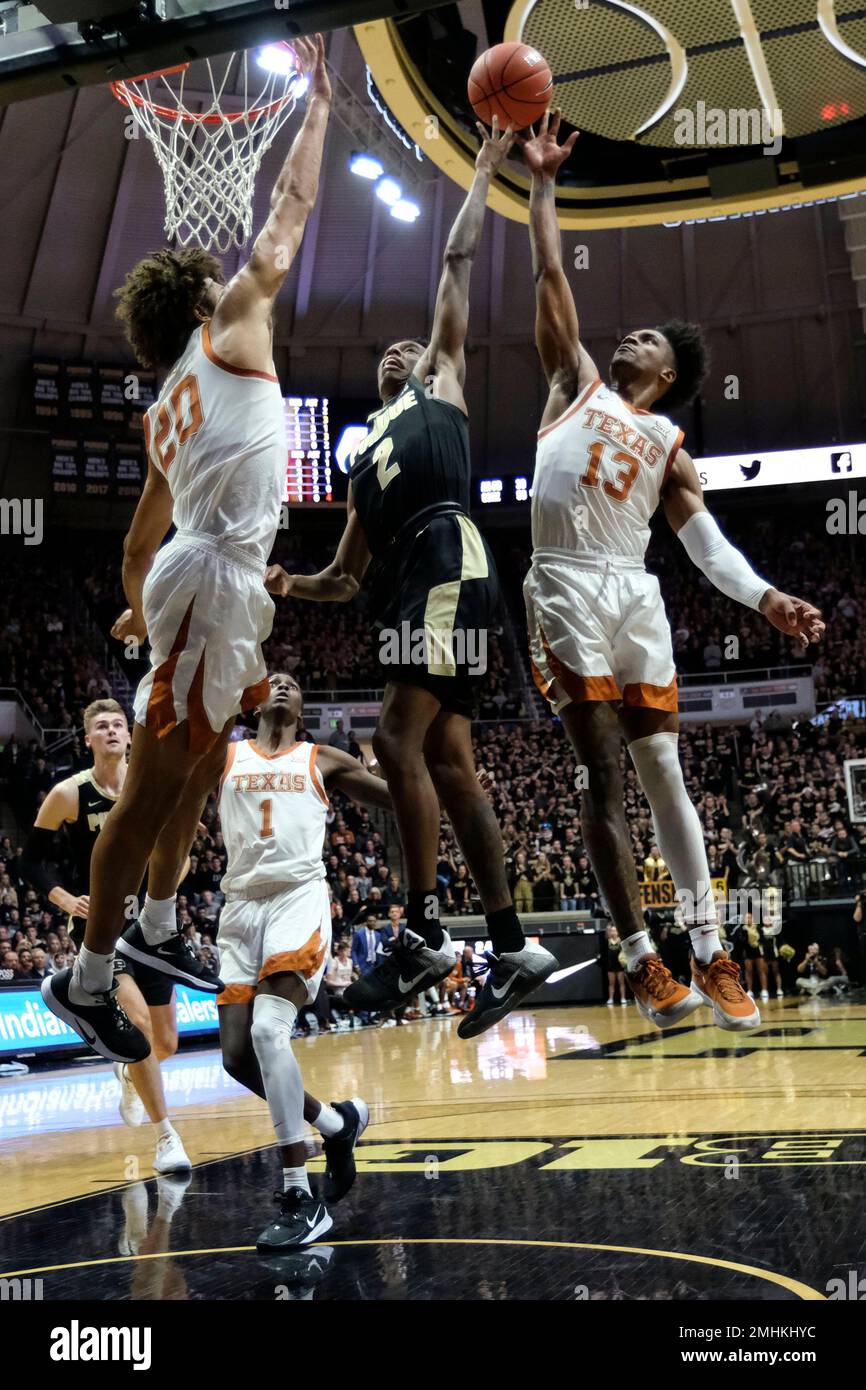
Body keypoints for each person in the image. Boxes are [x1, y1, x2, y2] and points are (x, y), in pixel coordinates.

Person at [40, 36, 332, 1064]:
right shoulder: (233, 331)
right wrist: (320, 108)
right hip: (212, 579)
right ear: (204, 307)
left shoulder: (164, 406)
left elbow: (133, 540)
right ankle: (84, 975)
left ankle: (159, 926)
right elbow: (288, 219)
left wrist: (139, 607)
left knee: (196, 766)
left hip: (200, 581)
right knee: (156, 776)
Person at [519, 109, 825, 1034]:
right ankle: (639, 956)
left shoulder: (668, 442)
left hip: (633, 587)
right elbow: (546, 275)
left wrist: (764, 596)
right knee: (602, 772)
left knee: (664, 771)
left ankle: (709, 947)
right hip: (566, 578)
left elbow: (703, 545)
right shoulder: (573, 379)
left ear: (668, 369)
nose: (633, 337)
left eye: (650, 337)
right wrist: (541, 183)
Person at [265, 118, 556, 1038]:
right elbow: (342, 580)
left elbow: (458, 263)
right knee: (449, 763)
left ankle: (426, 930)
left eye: (409, 348)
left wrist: (483, 170)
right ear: (375, 382)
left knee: (394, 745)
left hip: (447, 554)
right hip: (406, 584)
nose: (400, 353)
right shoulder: (361, 470)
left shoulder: (441, 385)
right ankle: (513, 945)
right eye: (386, 356)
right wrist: (286, 586)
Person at [215, 671, 404, 1249]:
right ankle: (337, 1123)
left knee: (272, 1034)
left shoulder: (322, 757)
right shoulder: (224, 755)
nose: (280, 685)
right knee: (236, 1057)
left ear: (302, 705)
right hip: (239, 907)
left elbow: (401, 794)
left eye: (292, 682)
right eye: (270, 680)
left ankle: (300, 1195)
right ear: (253, 702)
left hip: (298, 898)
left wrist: (453, 786)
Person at [23, 699, 191, 1173]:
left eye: (120, 723)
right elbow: (30, 860)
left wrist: (165, 891)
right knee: (137, 1028)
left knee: (167, 1043)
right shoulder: (70, 793)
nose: (113, 730)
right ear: (88, 739)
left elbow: (182, 851)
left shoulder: (152, 787)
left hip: (152, 931)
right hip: (102, 932)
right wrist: (63, 898)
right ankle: (167, 1138)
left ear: (131, 736)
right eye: (102, 726)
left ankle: (125, 1068)